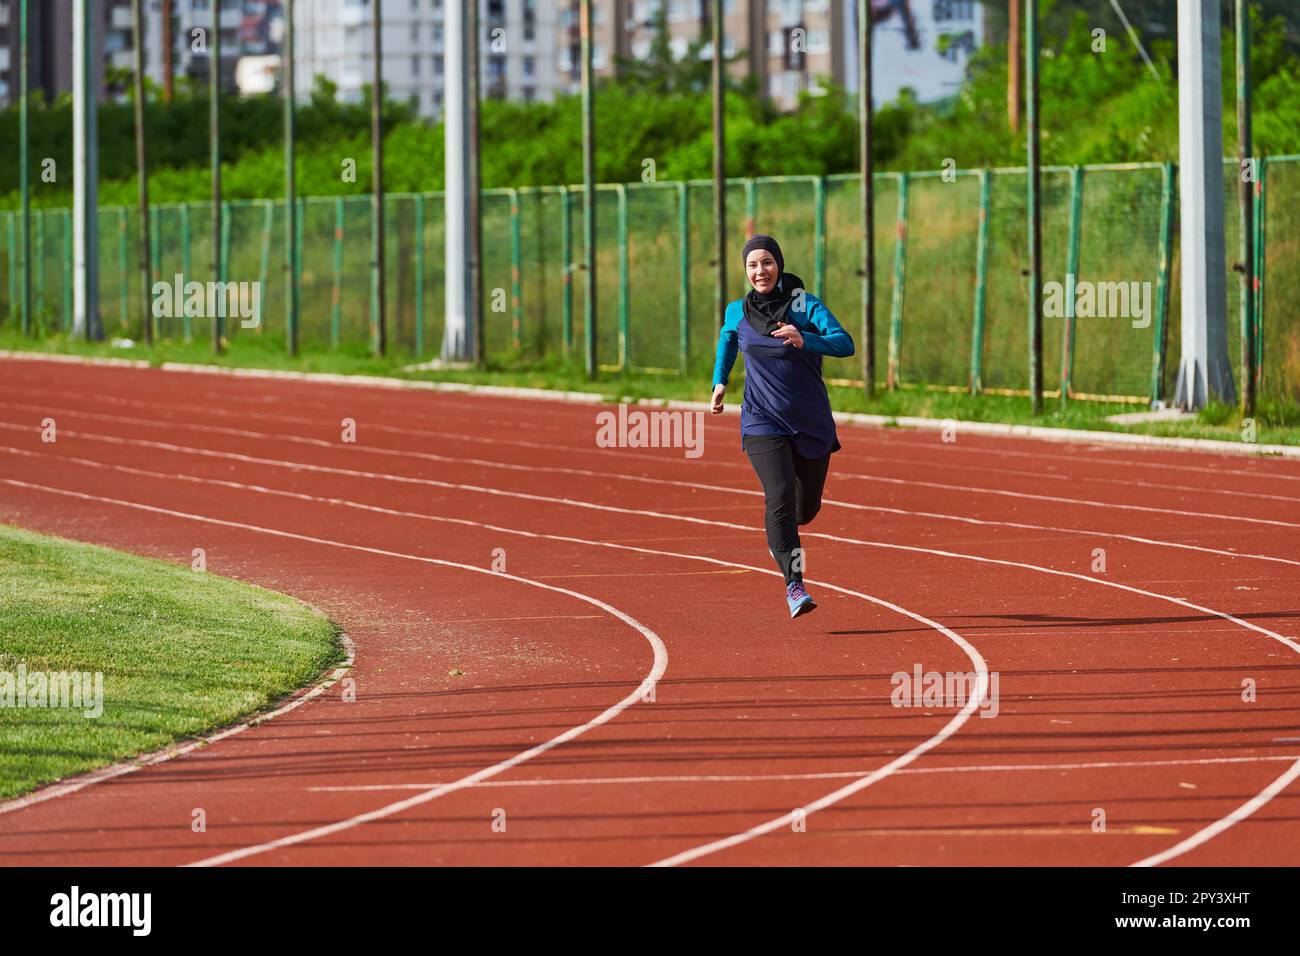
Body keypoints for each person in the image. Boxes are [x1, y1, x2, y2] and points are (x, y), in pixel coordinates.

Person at [710, 235, 855, 619]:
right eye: (753, 265)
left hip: (810, 422)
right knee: (778, 495)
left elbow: (845, 343)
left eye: (767, 263)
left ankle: (782, 534)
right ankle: (795, 585)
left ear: (780, 264)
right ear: (746, 271)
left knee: (804, 510)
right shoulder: (736, 311)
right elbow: (728, 342)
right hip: (762, 420)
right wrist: (720, 381)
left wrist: (803, 338)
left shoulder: (804, 304)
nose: (761, 271)